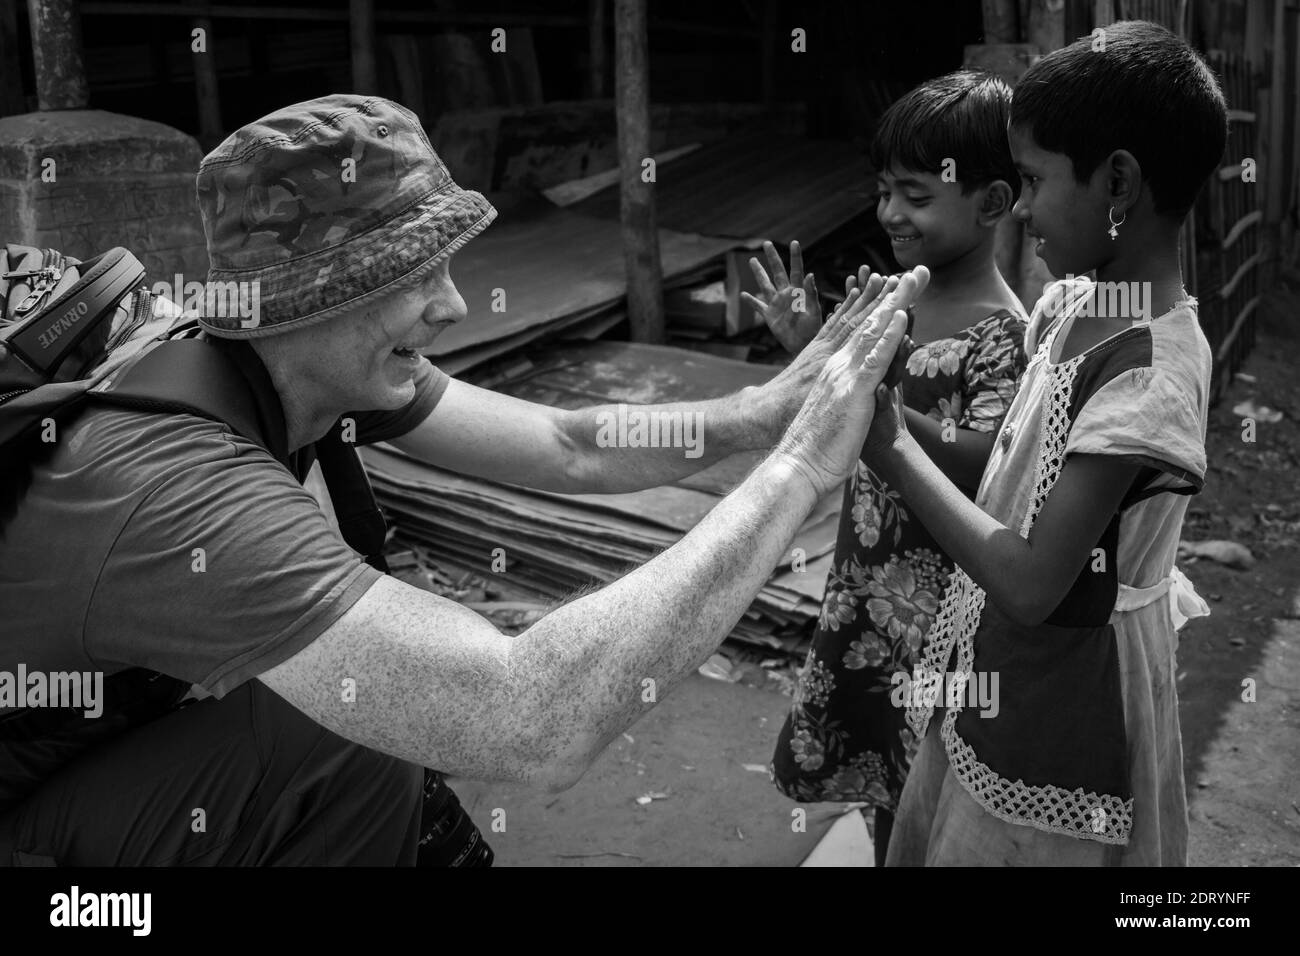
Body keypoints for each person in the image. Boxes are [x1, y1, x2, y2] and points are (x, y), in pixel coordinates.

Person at [0, 94, 922, 866]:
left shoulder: (293, 364)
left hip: (93, 757)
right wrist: (803, 465)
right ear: (313, 298)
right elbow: (527, 714)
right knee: (353, 725)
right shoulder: (179, 495)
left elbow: (570, 443)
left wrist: (765, 415)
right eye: (416, 277)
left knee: (356, 719)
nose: (451, 306)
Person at [861, 21, 1226, 865]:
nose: (1020, 207)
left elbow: (1032, 584)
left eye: (1032, 179)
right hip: (999, 668)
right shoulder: (1068, 306)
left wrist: (887, 448)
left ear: (1119, 182)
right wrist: (890, 411)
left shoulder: (1151, 373)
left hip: (1071, 698)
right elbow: (1010, 473)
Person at [746, 71, 1028, 864]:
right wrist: (811, 347)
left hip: (941, 609)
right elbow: (843, 411)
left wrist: (889, 410)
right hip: (867, 591)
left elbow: (987, 465)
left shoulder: (1004, 332)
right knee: (877, 770)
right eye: (883, 190)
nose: (888, 213)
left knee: (929, 777)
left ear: (994, 203)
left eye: (914, 194)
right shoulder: (890, 305)